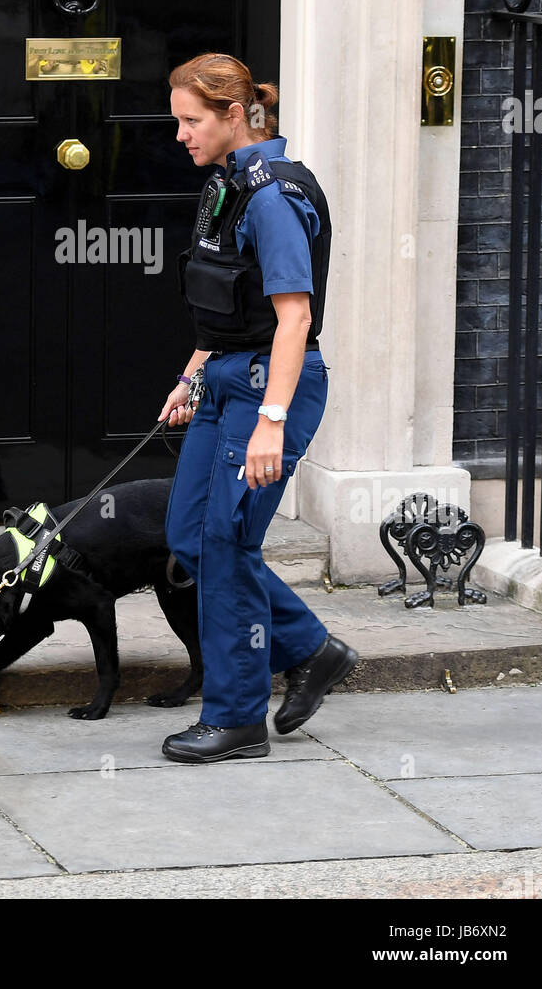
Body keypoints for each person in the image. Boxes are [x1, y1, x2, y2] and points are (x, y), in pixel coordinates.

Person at [156, 53, 358, 762]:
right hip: (225, 379)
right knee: (188, 536)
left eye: (191, 120)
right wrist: (190, 376)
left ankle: (237, 717)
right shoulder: (225, 185)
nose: (179, 133)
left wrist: (271, 421)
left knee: (226, 542)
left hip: (273, 386)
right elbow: (224, 307)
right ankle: (310, 648)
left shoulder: (272, 197)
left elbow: (294, 318)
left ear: (234, 114)